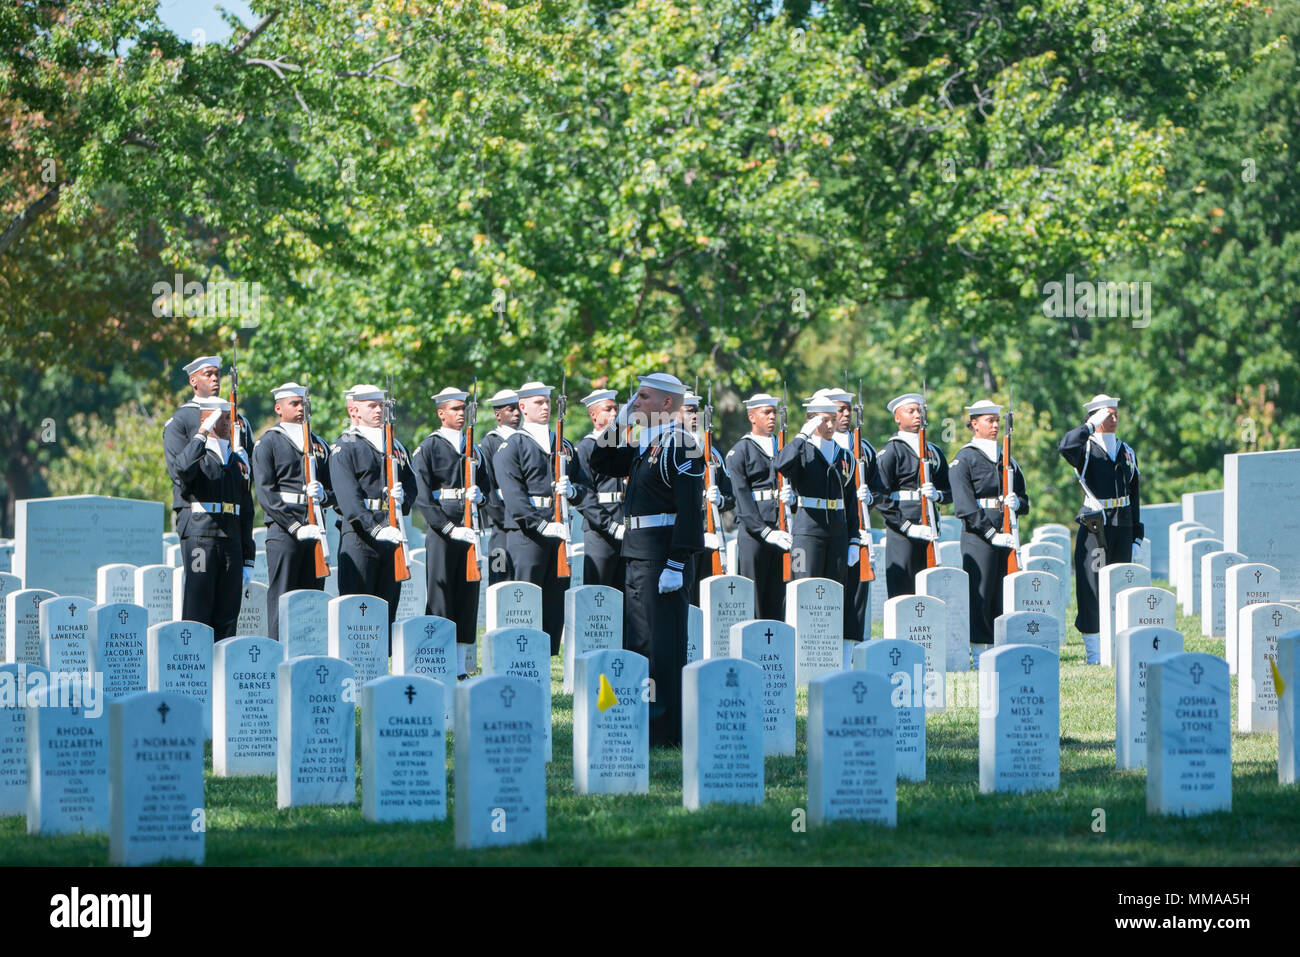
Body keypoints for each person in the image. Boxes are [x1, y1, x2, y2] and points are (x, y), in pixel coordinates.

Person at [589, 372, 704, 747]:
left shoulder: (682, 444)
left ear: (666, 404)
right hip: (638, 551)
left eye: (642, 397)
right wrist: (618, 423)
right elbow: (601, 460)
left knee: (664, 643)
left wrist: (677, 561)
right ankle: (649, 720)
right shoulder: (646, 444)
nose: (634, 402)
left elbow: (690, 511)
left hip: (661, 555)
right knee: (640, 642)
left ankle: (668, 728)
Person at [493, 380, 591, 655]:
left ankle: (544, 660)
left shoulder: (563, 445)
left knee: (553, 601)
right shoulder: (512, 445)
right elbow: (514, 497)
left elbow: (585, 487)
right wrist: (543, 524)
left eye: (547, 402)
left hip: (559, 530)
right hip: (527, 535)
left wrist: (572, 490)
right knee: (526, 601)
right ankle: (521, 656)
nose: (545, 407)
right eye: (539, 402)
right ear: (523, 407)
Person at [1058, 393, 1143, 664]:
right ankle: (1094, 651)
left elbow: (1134, 492)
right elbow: (1065, 445)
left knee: (1122, 586)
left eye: (1116, 413)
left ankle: (1119, 645)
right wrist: (1091, 426)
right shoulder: (1085, 447)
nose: (1115, 419)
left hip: (1123, 523)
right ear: (1095, 417)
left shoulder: (1125, 449)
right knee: (1091, 587)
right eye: (1109, 414)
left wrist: (1137, 534)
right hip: (1095, 524)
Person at [411, 386, 490, 679]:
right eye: (455, 409)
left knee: (467, 596)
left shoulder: (475, 448)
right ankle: (437, 663)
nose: (461, 414)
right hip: (443, 531)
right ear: (441, 413)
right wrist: (447, 528)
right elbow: (422, 497)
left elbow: (488, 487)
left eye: (464, 409)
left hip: (470, 528)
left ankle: (458, 667)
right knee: (441, 594)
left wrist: (480, 497)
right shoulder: (429, 447)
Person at [328, 384, 418, 630]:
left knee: (386, 610)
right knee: (357, 612)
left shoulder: (395, 446)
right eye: (372, 406)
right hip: (360, 537)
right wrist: (376, 528)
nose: (379, 410)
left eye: (381, 405)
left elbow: (412, 483)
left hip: (392, 531)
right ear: (355, 410)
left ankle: (382, 664)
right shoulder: (345, 446)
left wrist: (403, 498)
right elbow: (349, 500)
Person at [251, 381, 334, 643]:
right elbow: (266, 493)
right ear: (279, 408)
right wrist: (295, 526)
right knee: (283, 596)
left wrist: (323, 496)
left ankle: (309, 650)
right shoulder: (268, 442)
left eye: (303, 403)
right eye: (294, 404)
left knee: (313, 599)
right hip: (284, 530)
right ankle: (277, 652)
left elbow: (334, 489)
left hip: (315, 525)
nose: (301, 409)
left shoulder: (319, 444)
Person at [166, 395, 254, 640]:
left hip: (231, 540)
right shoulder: (198, 456)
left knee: (228, 614)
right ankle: (195, 671)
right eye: (223, 417)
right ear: (208, 419)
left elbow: (246, 510)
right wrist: (201, 433)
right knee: (198, 608)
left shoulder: (237, 462)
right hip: (201, 539)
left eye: (230, 417)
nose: (229, 422)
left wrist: (248, 557)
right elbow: (181, 469)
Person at [949, 399, 1029, 658]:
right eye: (989, 421)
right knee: (980, 592)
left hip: (1006, 532)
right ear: (974, 424)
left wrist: (1017, 503)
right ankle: (979, 647)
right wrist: (991, 533)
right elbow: (964, 506)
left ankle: (999, 645)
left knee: (1001, 591)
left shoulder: (1007, 459)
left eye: (997, 421)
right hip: (979, 535)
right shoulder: (965, 458)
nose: (995, 426)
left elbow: (1024, 499)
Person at [815, 387, 881, 647]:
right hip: (828, 528)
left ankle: (850, 649)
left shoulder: (863, 447)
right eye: (839, 409)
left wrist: (869, 497)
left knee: (856, 594)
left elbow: (879, 488)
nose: (845, 415)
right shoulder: (818, 445)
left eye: (847, 410)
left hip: (858, 529)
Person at [875, 392, 951, 598]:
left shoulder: (933, 451)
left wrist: (938, 495)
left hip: (929, 527)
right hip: (902, 529)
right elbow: (881, 497)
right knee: (903, 590)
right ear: (897, 418)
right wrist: (907, 527)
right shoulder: (892, 451)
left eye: (919, 411)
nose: (917, 415)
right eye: (911, 411)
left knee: (928, 591)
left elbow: (950, 490)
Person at [724, 393, 792, 621]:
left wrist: (792, 499)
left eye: (774, 412)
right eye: (766, 412)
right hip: (755, 532)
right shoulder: (740, 451)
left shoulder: (784, 447)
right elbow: (742, 499)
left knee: (780, 595)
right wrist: (765, 531)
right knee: (754, 596)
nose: (772, 417)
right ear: (752, 417)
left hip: (782, 528)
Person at [163, 354, 255, 503]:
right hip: (196, 509)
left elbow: (251, 469)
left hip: (232, 507)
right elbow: (178, 472)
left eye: (217, 374)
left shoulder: (237, 419)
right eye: (208, 374)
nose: (215, 379)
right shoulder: (181, 420)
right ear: (193, 381)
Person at [680, 391, 734, 604]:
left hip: (710, 533)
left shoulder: (713, 452)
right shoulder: (671, 447)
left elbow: (730, 496)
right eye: (688, 411)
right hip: (683, 534)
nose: (694, 416)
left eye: (696, 412)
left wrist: (719, 500)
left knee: (708, 598)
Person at [574, 388, 627, 592]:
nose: (614, 413)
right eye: (608, 409)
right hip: (600, 531)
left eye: (616, 408)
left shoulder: (622, 446)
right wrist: (610, 525)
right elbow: (585, 497)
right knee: (599, 594)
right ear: (593, 414)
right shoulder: (586, 448)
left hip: (626, 526)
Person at [479, 389, 520, 584]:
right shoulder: (489, 443)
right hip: (502, 524)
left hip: (523, 523)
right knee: (501, 579)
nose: (517, 413)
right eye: (510, 409)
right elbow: (487, 488)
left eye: (519, 408)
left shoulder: (525, 440)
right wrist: (503, 519)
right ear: (497, 415)